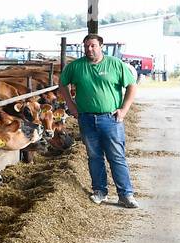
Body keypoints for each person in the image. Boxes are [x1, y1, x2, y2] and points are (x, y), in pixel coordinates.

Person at [58, 34, 138, 208]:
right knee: (94, 156)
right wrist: (71, 105)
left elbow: (131, 85)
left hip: (111, 118)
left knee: (116, 156)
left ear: (101, 46)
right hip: (86, 118)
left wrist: (124, 109)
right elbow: (62, 83)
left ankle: (126, 194)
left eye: (93, 45)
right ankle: (100, 191)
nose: (89, 49)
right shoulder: (76, 66)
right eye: (86, 46)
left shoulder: (115, 64)